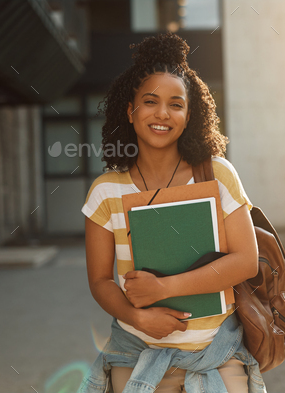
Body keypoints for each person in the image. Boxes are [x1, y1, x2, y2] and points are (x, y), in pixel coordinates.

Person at [78, 32, 266, 393]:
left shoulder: (216, 173)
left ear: (189, 115)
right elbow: (100, 281)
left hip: (217, 357)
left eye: (176, 104)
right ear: (130, 111)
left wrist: (163, 287)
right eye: (150, 101)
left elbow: (246, 260)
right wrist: (137, 316)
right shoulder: (106, 191)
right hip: (134, 358)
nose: (162, 113)